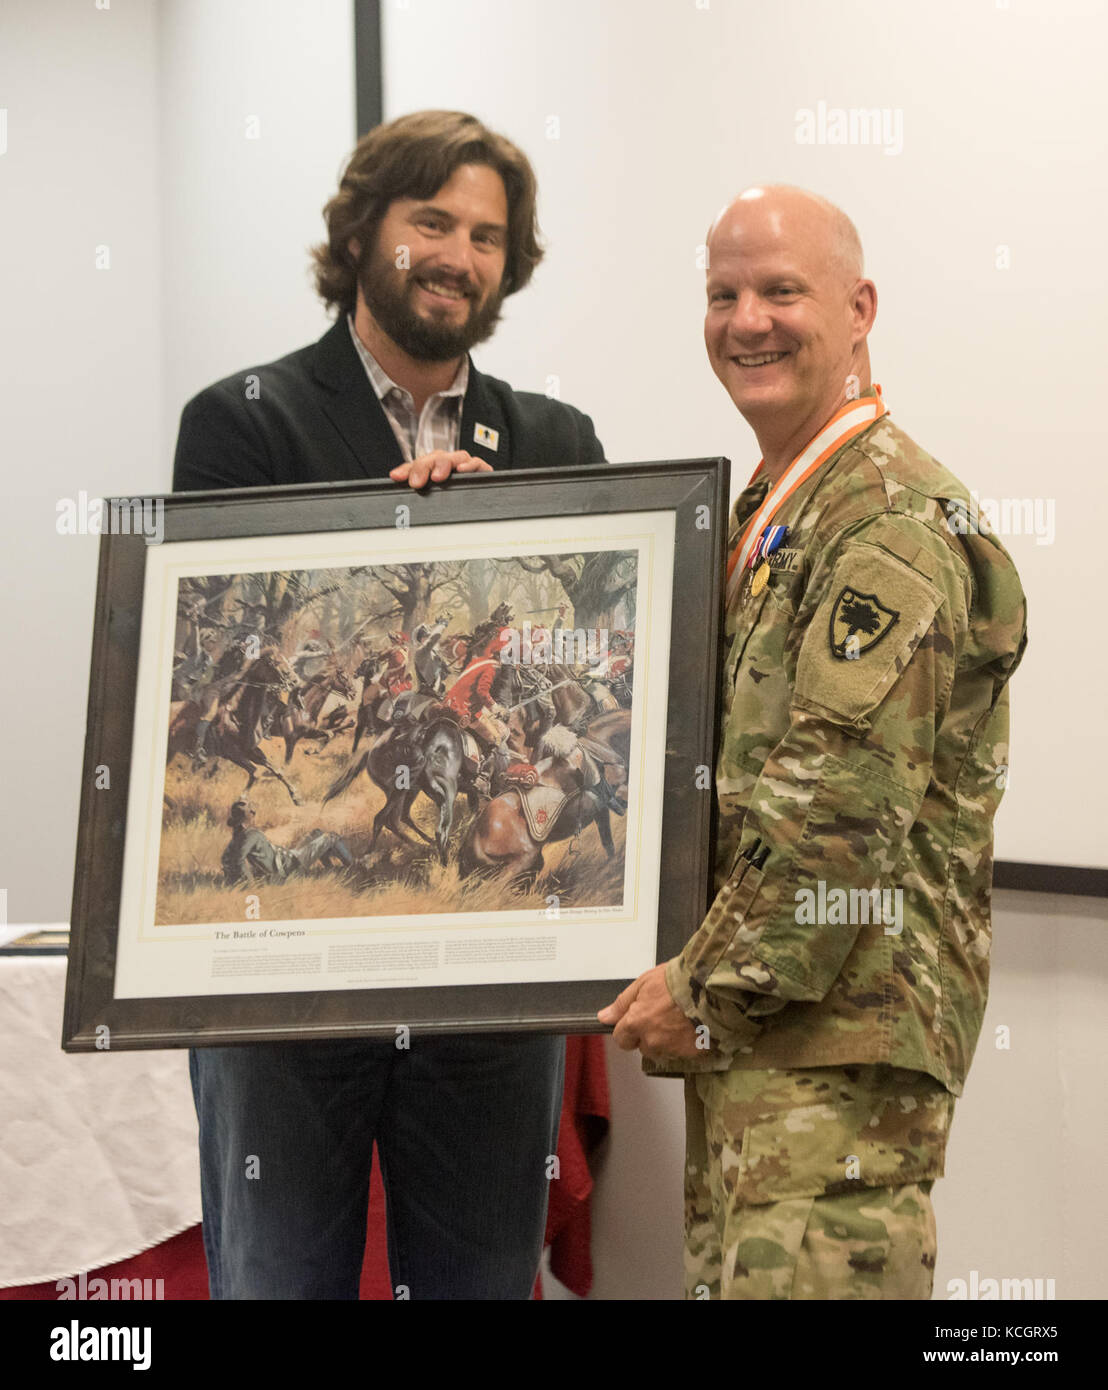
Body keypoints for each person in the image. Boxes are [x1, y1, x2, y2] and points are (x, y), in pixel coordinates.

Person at [173, 109, 605, 1300]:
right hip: (280, 996)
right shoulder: (241, 419)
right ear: (363, 228)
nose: (458, 253)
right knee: (279, 1282)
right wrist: (388, 528)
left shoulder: (557, 439)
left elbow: (593, 640)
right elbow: (221, 636)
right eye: (431, 221)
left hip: (492, 996)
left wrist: (491, 530)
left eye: (485, 234)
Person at [599, 185, 1028, 1300]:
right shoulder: (778, 510)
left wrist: (698, 990)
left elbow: (834, 818)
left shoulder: (883, 520)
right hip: (766, 1050)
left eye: (781, 290)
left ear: (858, 308)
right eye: (722, 294)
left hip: (831, 1063)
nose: (748, 321)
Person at [221, 799, 354, 886]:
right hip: (291, 866)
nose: (254, 814)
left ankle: (330, 870)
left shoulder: (239, 837)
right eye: (251, 813)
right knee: (332, 837)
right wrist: (251, 886)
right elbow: (238, 860)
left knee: (317, 833)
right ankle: (353, 866)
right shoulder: (250, 836)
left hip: (288, 858)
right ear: (249, 817)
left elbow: (226, 858)